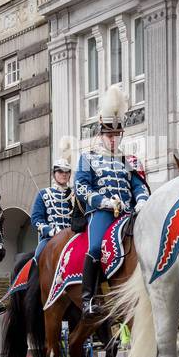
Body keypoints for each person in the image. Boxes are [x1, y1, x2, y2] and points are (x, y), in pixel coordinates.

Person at [75, 85, 150, 313]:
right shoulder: (88, 158)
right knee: (96, 247)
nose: (114, 139)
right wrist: (104, 202)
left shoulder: (129, 160)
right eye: (110, 135)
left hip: (129, 213)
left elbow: (138, 185)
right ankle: (88, 298)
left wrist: (143, 200)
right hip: (103, 214)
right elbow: (81, 188)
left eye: (117, 134)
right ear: (101, 134)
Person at [31, 137, 75, 260]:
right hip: (50, 239)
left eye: (67, 172)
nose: (64, 174)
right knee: (37, 257)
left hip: (72, 239)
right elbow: (36, 219)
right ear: (54, 173)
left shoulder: (74, 195)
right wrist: (49, 231)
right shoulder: (44, 194)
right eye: (60, 171)